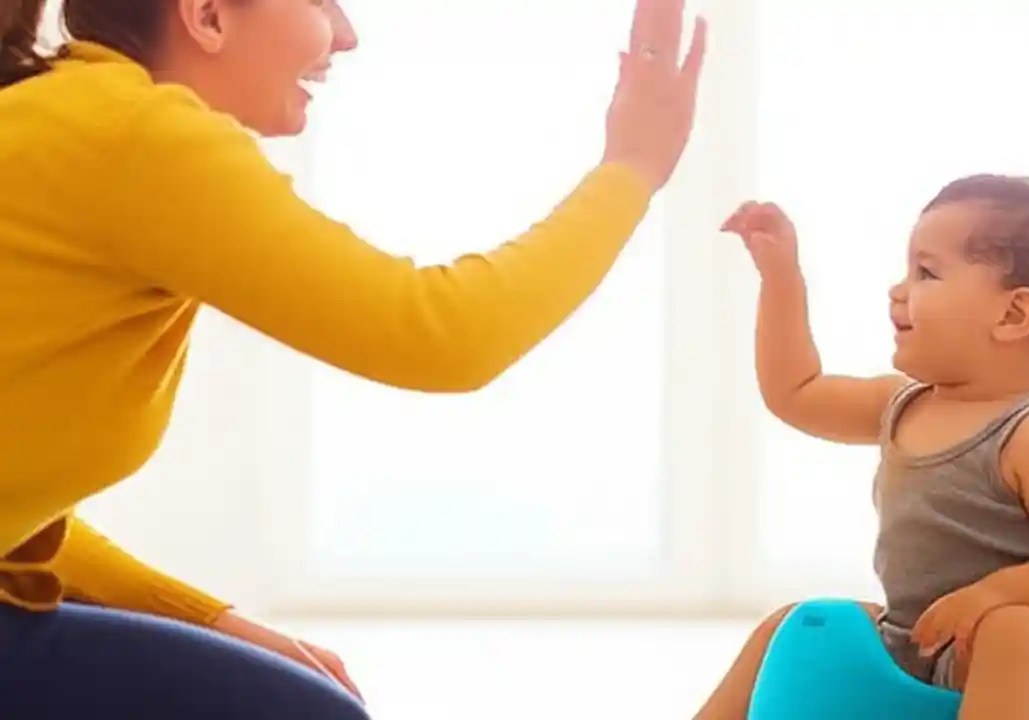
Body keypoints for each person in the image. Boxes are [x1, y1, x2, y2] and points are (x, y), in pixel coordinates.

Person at [0, 0, 706, 716]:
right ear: (209, 16)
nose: (345, 33)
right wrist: (632, 169)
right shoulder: (134, 138)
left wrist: (210, 618)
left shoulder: (69, 118)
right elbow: (442, 336)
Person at [700, 176, 1029, 719]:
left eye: (926, 272)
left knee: (1015, 635)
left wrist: (992, 597)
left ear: (1012, 315)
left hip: (1025, 645)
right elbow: (795, 393)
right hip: (911, 635)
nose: (898, 290)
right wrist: (782, 278)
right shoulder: (902, 404)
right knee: (796, 624)